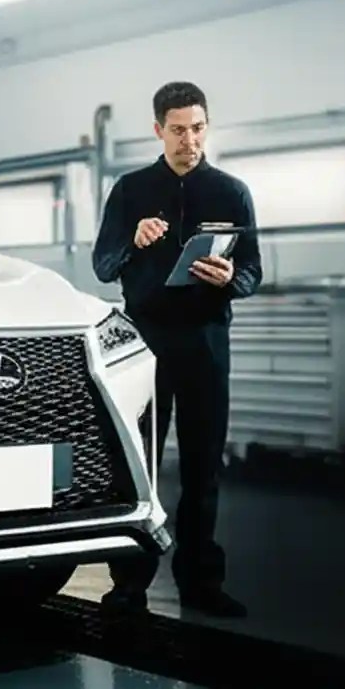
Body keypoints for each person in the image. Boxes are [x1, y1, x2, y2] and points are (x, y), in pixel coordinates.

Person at [91, 81, 261, 618]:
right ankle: (128, 585)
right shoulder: (130, 190)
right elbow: (102, 264)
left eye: (199, 128)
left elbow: (254, 272)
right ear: (158, 129)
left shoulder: (232, 192)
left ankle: (201, 583)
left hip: (206, 342)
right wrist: (131, 241)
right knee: (139, 467)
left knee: (203, 465)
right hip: (146, 343)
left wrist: (232, 275)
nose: (190, 140)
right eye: (180, 129)